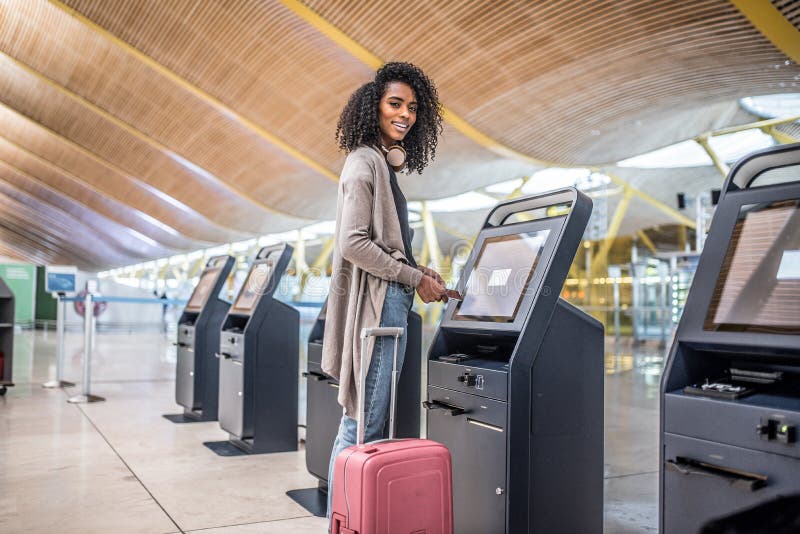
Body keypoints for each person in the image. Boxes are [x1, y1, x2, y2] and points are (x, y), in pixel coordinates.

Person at [322, 62, 447, 517]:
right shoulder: (364, 163)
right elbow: (353, 242)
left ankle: (352, 520)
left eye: (413, 108)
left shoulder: (381, 164)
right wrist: (413, 278)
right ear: (372, 106)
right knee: (361, 426)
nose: (406, 115)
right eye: (396, 104)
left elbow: (383, 246)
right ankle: (344, 522)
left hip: (389, 304)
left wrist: (417, 269)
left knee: (367, 421)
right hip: (378, 312)